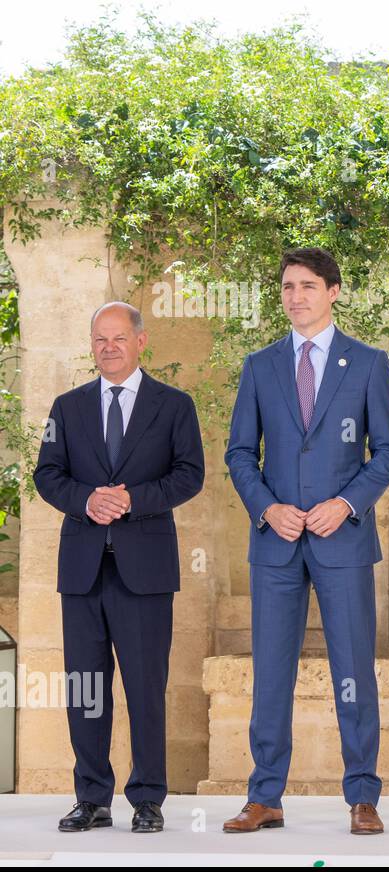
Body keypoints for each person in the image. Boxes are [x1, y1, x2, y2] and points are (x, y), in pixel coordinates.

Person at [223, 248, 389, 835]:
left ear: (334, 291)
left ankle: (362, 796)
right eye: (286, 287)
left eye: (307, 286)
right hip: (275, 543)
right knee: (271, 670)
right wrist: (267, 507)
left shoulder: (370, 365)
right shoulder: (259, 366)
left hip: (342, 540)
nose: (295, 296)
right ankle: (265, 795)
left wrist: (346, 503)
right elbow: (239, 454)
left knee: (354, 667)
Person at [34, 301, 204, 833]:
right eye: (99, 339)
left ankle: (148, 798)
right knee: (86, 686)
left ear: (140, 341)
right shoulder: (67, 407)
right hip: (83, 568)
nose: (108, 347)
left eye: (118, 338)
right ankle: (92, 798)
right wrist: (87, 500)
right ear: (92, 345)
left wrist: (130, 499)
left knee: (145, 686)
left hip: (145, 569)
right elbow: (47, 474)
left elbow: (189, 475)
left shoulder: (174, 405)